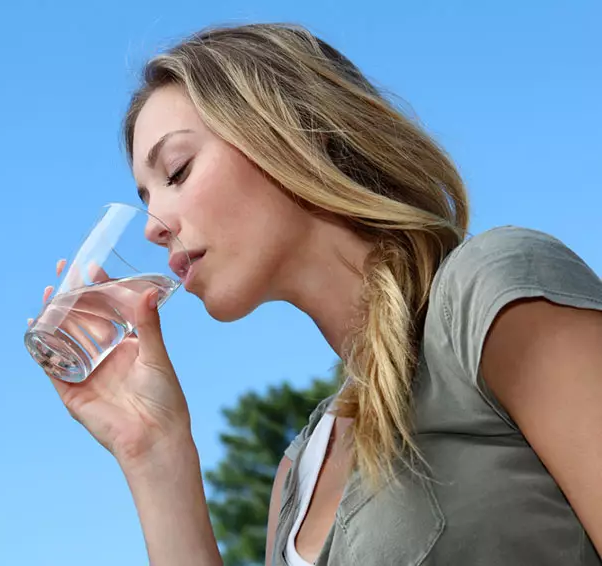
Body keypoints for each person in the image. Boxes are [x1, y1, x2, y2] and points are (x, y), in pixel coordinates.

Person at [33, 22, 602, 565]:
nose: (154, 224)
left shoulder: (491, 295)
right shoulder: (297, 474)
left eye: (177, 171)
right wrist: (154, 451)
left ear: (296, 132)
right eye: (146, 194)